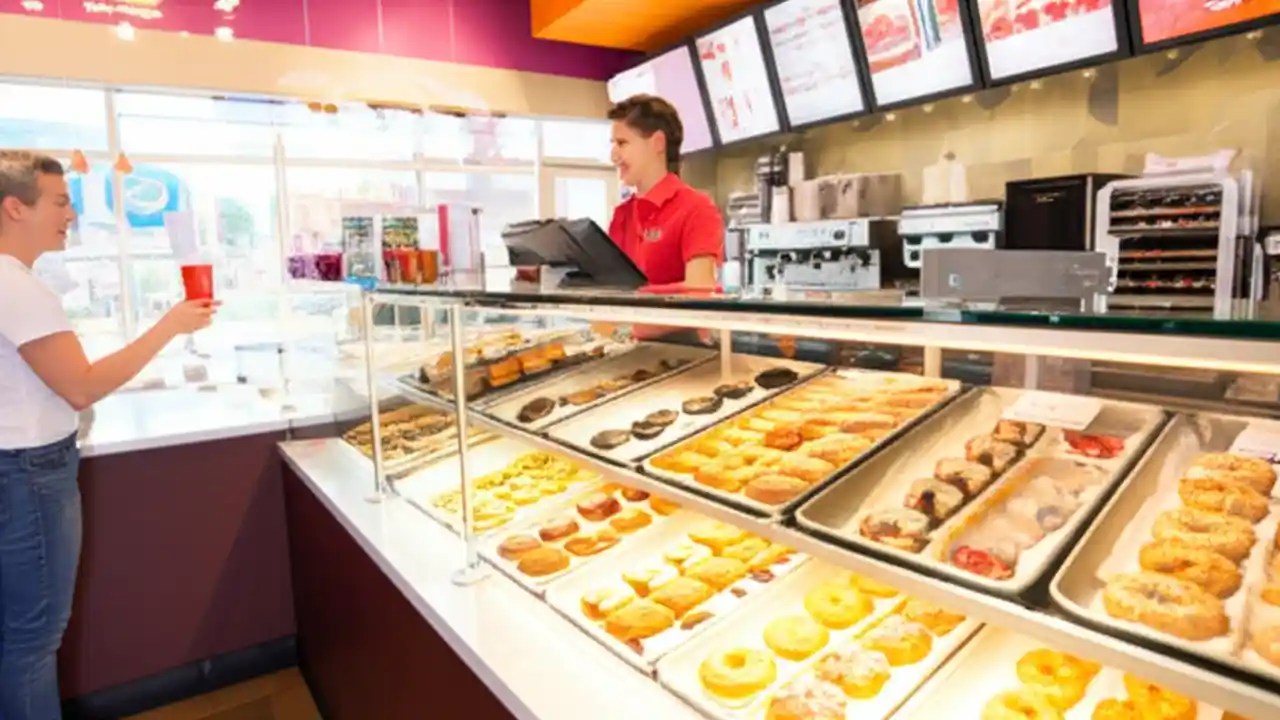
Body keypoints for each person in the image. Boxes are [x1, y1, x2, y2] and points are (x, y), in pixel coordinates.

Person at [0, 150, 215, 719]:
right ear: (14, 208)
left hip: (15, 469)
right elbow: (81, 386)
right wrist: (170, 325)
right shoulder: (17, 286)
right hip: (28, 475)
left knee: (14, 636)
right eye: (60, 201)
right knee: (32, 641)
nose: (70, 213)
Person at [607, 94, 725, 289]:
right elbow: (609, 285)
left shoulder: (697, 208)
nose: (613, 155)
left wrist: (635, 295)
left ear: (658, 143)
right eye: (613, 144)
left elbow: (701, 288)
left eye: (622, 143)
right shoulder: (622, 215)